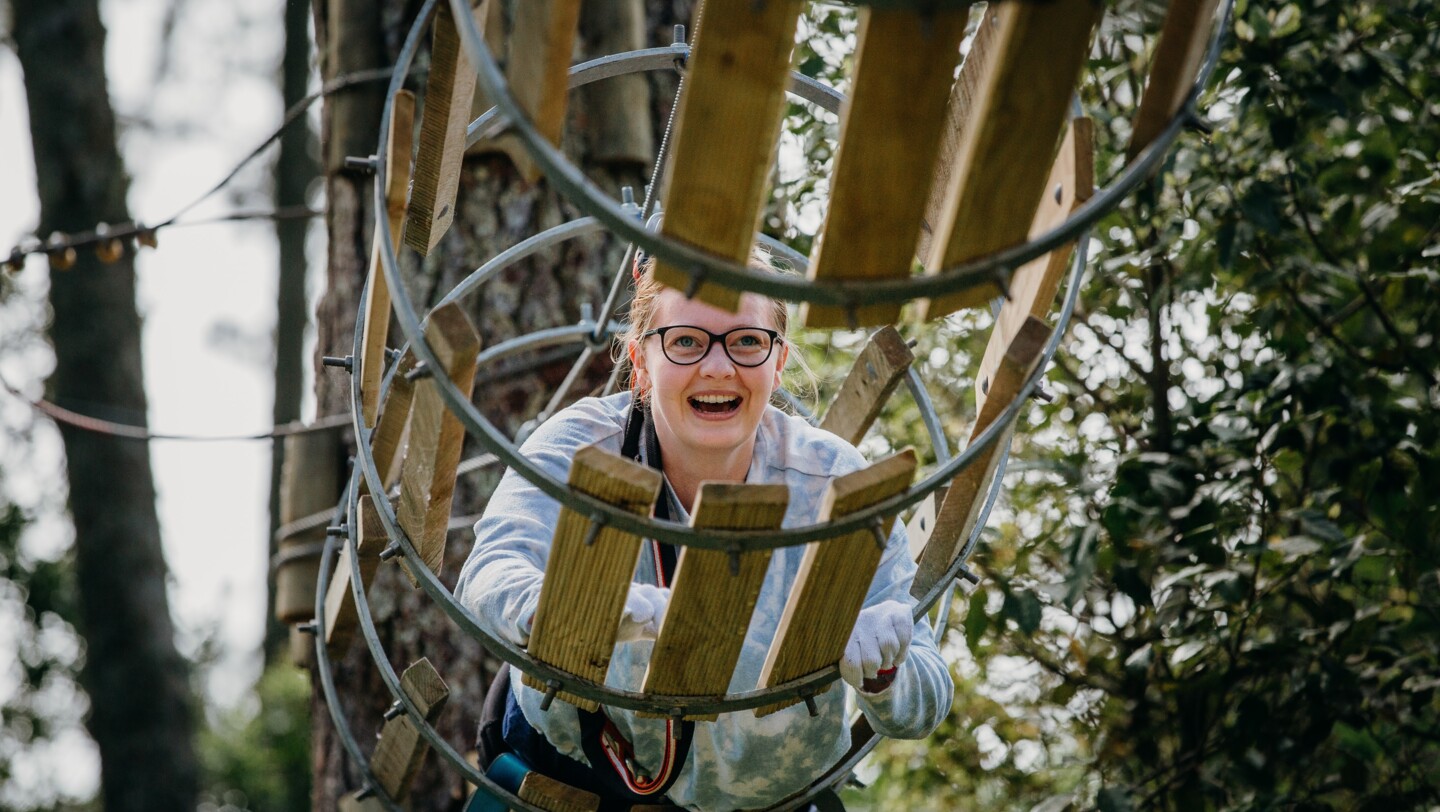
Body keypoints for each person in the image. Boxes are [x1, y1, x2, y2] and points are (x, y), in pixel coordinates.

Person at [456, 250, 954, 811]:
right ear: (641, 361)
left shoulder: (833, 484)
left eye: (746, 342)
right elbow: (487, 575)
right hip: (573, 780)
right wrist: (575, 608)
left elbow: (927, 699)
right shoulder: (581, 449)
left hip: (770, 800)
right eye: (687, 341)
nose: (718, 367)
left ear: (779, 360)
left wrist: (889, 670)